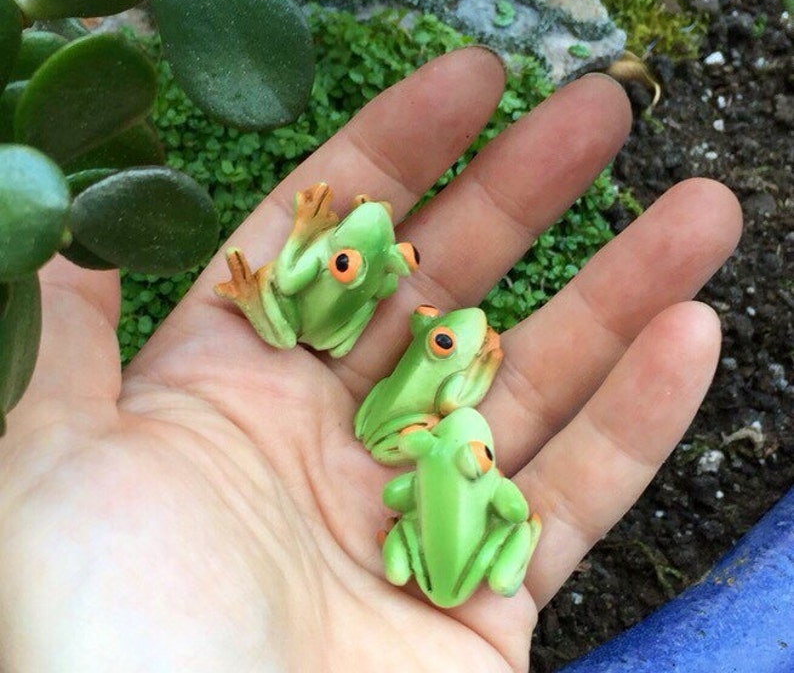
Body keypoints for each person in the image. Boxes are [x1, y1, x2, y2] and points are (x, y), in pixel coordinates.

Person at [0, 47, 742, 672]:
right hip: (399, 443)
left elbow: (403, 499)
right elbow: (499, 511)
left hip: (406, 467)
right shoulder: (475, 467)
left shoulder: (430, 411)